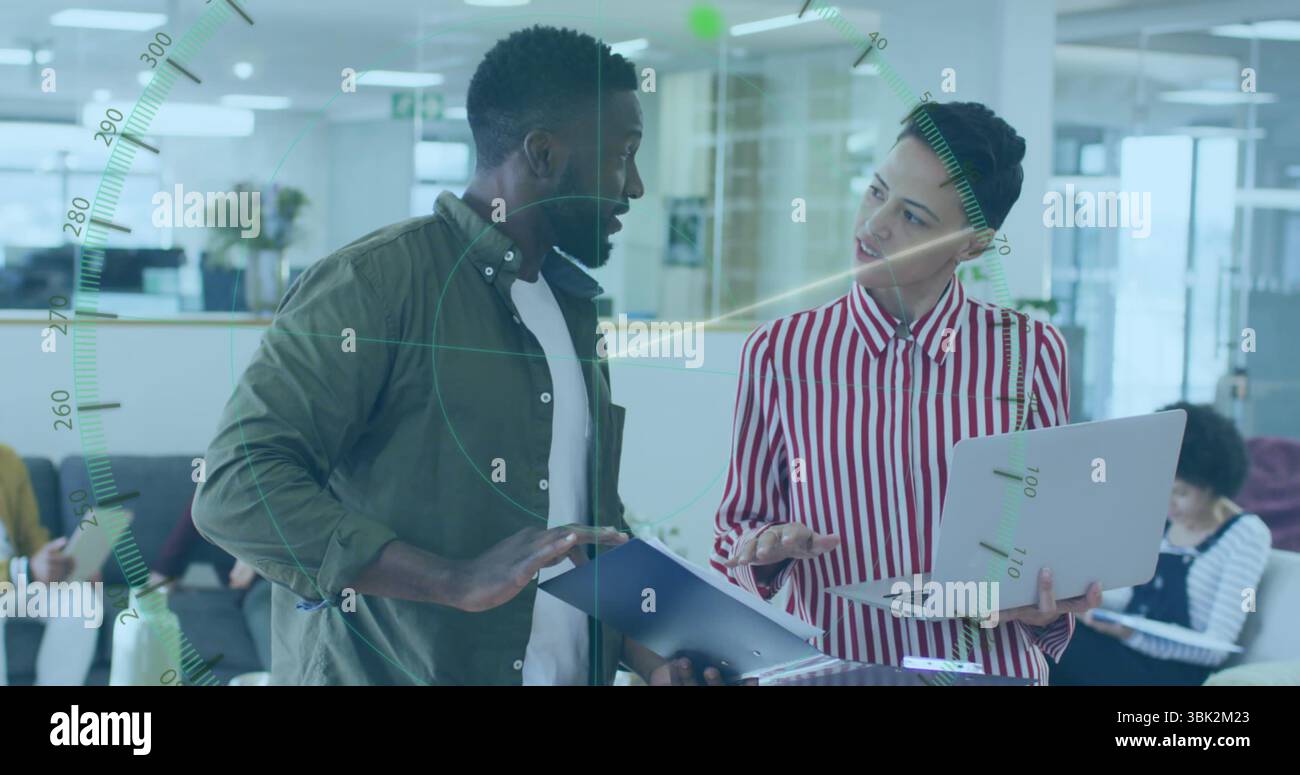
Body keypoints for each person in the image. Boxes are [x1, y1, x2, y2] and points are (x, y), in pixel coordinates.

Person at [194, 26, 718, 686]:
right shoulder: (375, 283)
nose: (635, 186)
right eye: (623, 155)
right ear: (544, 153)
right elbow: (236, 487)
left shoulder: (571, 306)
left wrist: (652, 656)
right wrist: (455, 580)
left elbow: (581, 526)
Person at [712, 101, 1101, 684]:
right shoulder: (781, 351)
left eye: (913, 217)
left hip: (987, 672)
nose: (874, 226)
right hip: (832, 670)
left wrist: (1049, 594)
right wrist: (766, 545)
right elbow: (733, 533)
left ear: (972, 244)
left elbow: (1047, 541)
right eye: (875, 192)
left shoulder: (1031, 351)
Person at [1053, 402, 1272, 685]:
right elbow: (1129, 599)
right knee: (1050, 628)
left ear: (1212, 483)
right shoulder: (1162, 522)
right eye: (1160, 489)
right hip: (1127, 654)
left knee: (1058, 646)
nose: (1168, 504)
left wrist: (1130, 634)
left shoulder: (1247, 535)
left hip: (1174, 672)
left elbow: (1216, 647)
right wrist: (1081, 598)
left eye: (1180, 492)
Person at [0, 444, 99, 685]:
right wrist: (25, 569)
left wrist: (61, 564)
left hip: (15, 584)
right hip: (15, 574)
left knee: (80, 600)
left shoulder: (8, 460)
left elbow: (31, 537)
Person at [150, 494, 271, 672]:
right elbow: (197, 510)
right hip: (263, 587)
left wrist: (260, 552)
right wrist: (162, 574)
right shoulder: (214, 485)